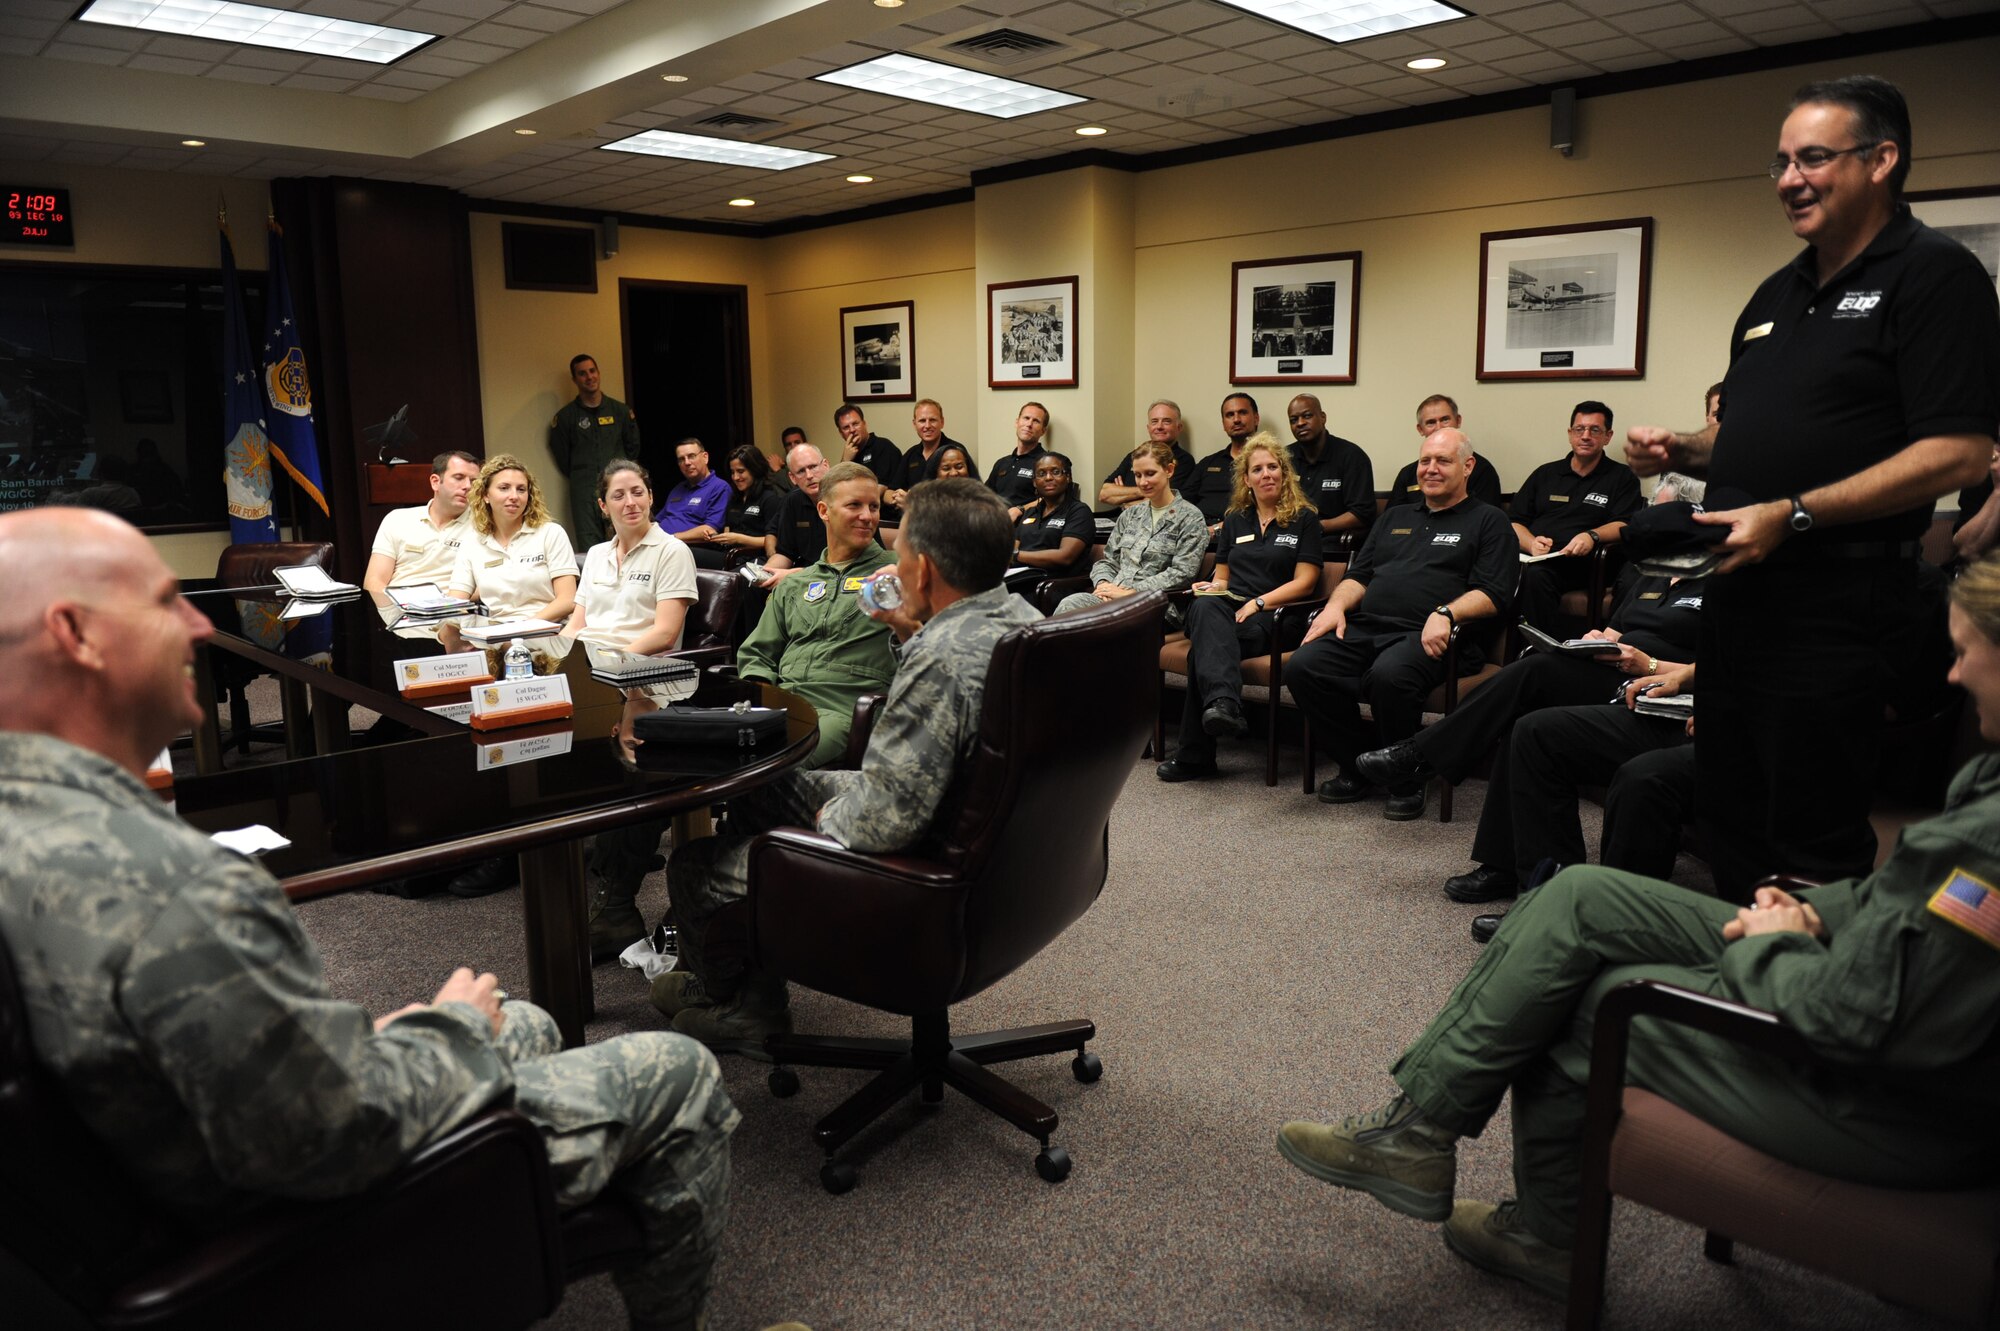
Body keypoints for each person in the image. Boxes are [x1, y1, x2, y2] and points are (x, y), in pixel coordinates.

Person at [0, 507, 737, 1331]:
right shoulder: (169, 889)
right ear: (76, 634)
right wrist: (448, 1029)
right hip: (285, 1228)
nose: (198, 622)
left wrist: (406, 1035)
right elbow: (328, 1133)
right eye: (163, 599)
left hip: (164, 1174)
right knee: (678, 1072)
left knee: (524, 1021)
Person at [1273, 552, 2000, 1305]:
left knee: (1584, 998)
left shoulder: (1990, 850)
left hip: (1893, 1102)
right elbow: (1904, 892)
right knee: (1582, 894)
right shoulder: (1990, 781)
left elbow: (1854, 1015)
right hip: (1851, 955)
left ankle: (1543, 1230)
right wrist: (1816, 911)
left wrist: (1774, 940)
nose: (1952, 674)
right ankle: (1415, 1129)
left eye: (1968, 651)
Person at [1624, 75, 1999, 899]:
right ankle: (1731, 1001)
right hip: (1738, 600)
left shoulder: (1936, 276)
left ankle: (1802, 1015)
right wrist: (1682, 446)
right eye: (1782, 161)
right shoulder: (1774, 294)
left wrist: (1794, 515)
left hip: (1840, 604)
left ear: (1882, 160)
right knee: (1728, 813)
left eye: (1815, 158)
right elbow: (1753, 431)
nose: (1791, 178)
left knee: (1807, 836)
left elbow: (1961, 453)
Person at [652, 479, 1040, 1048]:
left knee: (691, 866)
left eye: (903, 554)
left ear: (925, 571)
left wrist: (811, 828)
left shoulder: (941, 660)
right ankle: (744, 980)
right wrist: (907, 629)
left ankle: (734, 1003)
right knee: (763, 792)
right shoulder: (1020, 618)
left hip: (926, 857)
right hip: (1007, 843)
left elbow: (885, 823)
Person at [1359, 475, 1709, 879]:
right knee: (1531, 686)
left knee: (1529, 709)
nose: (1650, 524)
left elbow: (1725, 664)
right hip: (1618, 672)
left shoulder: (1721, 577)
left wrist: (1652, 666)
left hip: (1662, 690)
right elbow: (1617, 630)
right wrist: (1596, 640)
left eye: (1662, 516)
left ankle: (1425, 758)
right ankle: (1504, 863)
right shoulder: (1649, 573)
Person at [1284, 429, 1516, 819]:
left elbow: (1494, 593)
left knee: (1389, 676)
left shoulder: (1489, 521)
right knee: (1304, 667)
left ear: (1468, 466)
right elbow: (1360, 576)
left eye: (1443, 461)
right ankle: (1360, 763)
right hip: (1369, 627)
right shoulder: (1394, 517)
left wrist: (1446, 614)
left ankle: (1405, 777)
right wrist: (1335, 607)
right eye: (1425, 461)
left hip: (1439, 637)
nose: (1431, 469)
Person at [1156, 433, 1322, 781]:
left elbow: (1305, 581)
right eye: (1257, 469)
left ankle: (1197, 752)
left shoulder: (1304, 519)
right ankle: (1225, 705)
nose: (1267, 474)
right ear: (1246, 479)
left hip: (1277, 616)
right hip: (1230, 610)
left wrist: (1259, 602)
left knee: (1199, 652)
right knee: (1204, 606)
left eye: (1273, 467)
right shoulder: (1235, 519)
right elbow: (1223, 579)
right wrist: (1210, 587)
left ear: (1284, 472)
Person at [736, 461, 897, 769]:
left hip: (847, 710)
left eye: (874, 506)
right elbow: (758, 653)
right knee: (715, 753)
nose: (867, 516)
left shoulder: (895, 573)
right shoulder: (795, 583)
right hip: (784, 704)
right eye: (854, 505)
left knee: (768, 765)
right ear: (824, 511)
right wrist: (760, 699)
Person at [1509, 401, 1644, 634]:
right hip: (1541, 560)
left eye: (1595, 430)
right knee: (1532, 575)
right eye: (1579, 429)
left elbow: (1625, 523)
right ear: (1570, 434)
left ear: (1608, 437)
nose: (1585, 436)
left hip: (1590, 563)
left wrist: (1592, 536)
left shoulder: (1621, 477)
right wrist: (1531, 543)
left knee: (1535, 576)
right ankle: (1538, 649)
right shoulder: (1546, 473)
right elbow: (1514, 521)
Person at [1058, 442, 1208, 616]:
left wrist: (1130, 592)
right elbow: (1109, 561)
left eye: (1150, 474)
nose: (1143, 482)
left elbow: (1182, 573)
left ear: (1169, 470)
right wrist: (1103, 584)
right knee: (1069, 605)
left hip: (1154, 604)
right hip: (1112, 596)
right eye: (1137, 475)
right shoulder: (1130, 515)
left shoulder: (1190, 517)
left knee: (1087, 624)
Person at [568, 458, 699, 656]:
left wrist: (607, 662)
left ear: (651, 497)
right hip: (586, 660)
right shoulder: (596, 554)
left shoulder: (672, 551)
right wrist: (552, 661)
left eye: (638, 493)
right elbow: (575, 626)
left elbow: (665, 635)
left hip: (635, 668)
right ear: (603, 506)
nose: (630, 503)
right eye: (618, 496)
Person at [446, 453, 579, 624]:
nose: (514, 496)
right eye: (504, 488)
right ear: (485, 495)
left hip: (547, 630)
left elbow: (567, 600)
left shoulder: (551, 533)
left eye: (521, 489)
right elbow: (457, 600)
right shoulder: (472, 542)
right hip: (495, 635)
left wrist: (522, 627)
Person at [548, 353, 641, 547]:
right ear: (575, 379)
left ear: (598, 373)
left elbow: (633, 448)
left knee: (626, 535)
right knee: (588, 542)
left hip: (617, 485)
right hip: (583, 488)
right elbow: (563, 456)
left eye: (592, 371)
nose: (589, 377)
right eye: (582, 374)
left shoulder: (620, 411)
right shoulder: (566, 417)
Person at [362, 449, 479, 594]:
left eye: (474, 481)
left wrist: (447, 604)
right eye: (459, 477)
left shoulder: (483, 525)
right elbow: (374, 581)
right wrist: (400, 607)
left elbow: (489, 587)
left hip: (455, 609)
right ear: (435, 482)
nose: (467, 486)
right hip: (400, 609)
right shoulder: (397, 519)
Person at [1286, 393, 1376, 542]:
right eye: (1293, 420)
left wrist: (1319, 527)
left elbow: (1362, 513)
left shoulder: (1351, 456)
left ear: (1323, 417)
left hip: (1330, 539)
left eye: (1307, 416)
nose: (1300, 423)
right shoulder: (1284, 458)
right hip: (1288, 539)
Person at [1390, 395, 1504, 507]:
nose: (1439, 427)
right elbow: (1393, 519)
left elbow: (1485, 518)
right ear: (1420, 429)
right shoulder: (1408, 474)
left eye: (1445, 420)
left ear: (1458, 421)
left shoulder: (1482, 470)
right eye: (1431, 422)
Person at [1100, 400, 1199, 508]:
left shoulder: (1184, 461)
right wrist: (1144, 492)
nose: (1159, 426)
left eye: (1166, 421)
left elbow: (1163, 503)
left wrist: (1123, 496)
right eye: (1154, 421)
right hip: (1119, 520)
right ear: (1148, 428)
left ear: (1179, 428)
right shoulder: (1136, 455)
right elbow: (1104, 494)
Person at [1011, 452, 1094, 580]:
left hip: (1053, 586)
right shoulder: (1030, 513)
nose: (1048, 478)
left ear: (1068, 477)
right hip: (1020, 579)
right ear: (1034, 482)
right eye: (1041, 474)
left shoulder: (1079, 511)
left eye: (1056, 472)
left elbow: (1064, 557)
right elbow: (1012, 549)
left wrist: (1016, 556)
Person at [762, 443, 832, 585]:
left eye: (813, 467)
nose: (809, 476)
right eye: (801, 471)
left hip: (839, 574)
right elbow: (785, 553)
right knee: (752, 586)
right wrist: (766, 572)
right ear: (792, 478)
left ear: (826, 465)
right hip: (803, 573)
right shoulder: (792, 501)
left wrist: (791, 575)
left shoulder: (846, 497)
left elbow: (843, 564)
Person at [1188, 393, 1262, 529]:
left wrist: (1217, 529)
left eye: (1242, 413)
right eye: (1230, 415)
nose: (1236, 419)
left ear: (1256, 418)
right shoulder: (1207, 463)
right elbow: (1183, 502)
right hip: (1199, 533)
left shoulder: (1266, 464)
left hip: (1242, 535)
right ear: (1224, 424)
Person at [656, 437, 732, 568]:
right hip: (661, 545)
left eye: (691, 456)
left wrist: (671, 538)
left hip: (689, 548)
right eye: (681, 459)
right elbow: (658, 520)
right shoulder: (678, 488)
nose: (686, 462)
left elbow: (710, 529)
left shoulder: (719, 487)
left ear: (705, 457)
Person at [888, 398, 972, 506]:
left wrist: (913, 502)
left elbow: (966, 494)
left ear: (942, 422)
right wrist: (898, 498)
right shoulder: (911, 454)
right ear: (914, 424)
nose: (927, 426)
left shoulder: (955, 451)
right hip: (911, 518)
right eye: (922, 421)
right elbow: (888, 492)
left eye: (932, 420)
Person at [983, 401, 1051, 511]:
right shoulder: (1002, 463)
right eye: (1026, 418)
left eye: (1036, 421)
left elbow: (1050, 499)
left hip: (1028, 523)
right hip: (996, 521)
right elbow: (984, 496)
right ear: (1017, 422)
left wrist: (1020, 510)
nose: (1029, 424)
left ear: (1043, 431)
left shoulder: (1047, 462)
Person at [833, 403, 903, 494]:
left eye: (855, 424)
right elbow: (836, 490)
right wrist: (845, 461)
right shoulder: (848, 454)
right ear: (841, 433)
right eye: (846, 427)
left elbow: (878, 491)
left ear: (864, 424)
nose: (852, 430)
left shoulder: (883, 447)